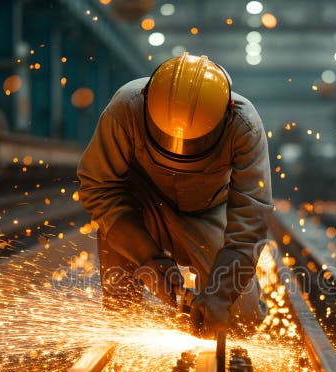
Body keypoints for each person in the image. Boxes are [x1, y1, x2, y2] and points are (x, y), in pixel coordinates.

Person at [77, 52, 272, 337]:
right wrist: (147, 257)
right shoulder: (124, 109)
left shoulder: (245, 126)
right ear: (146, 98)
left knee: (239, 322)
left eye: (195, 143)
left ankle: (194, 310)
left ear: (226, 113)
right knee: (122, 319)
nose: (178, 149)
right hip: (141, 210)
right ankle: (133, 322)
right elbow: (99, 188)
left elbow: (251, 218)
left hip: (208, 212)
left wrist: (220, 293)